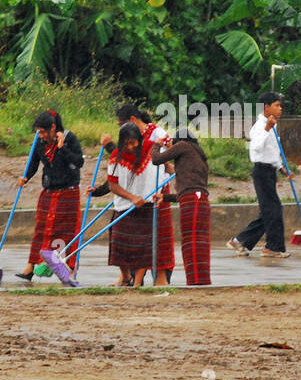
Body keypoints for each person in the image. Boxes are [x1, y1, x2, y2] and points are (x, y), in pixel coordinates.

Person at [100, 103, 174, 284]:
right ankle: (127, 277)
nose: (120, 128)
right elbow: (122, 162)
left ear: (132, 120)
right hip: (132, 193)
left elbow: (168, 156)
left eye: (121, 124)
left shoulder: (157, 135)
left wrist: (169, 164)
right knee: (124, 237)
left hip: (157, 190)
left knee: (158, 237)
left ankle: (161, 278)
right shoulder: (128, 140)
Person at [15, 109, 84, 282]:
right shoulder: (39, 142)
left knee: (66, 232)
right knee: (41, 230)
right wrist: (25, 177)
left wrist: (63, 148)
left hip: (68, 193)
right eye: (39, 132)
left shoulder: (69, 138)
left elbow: (79, 162)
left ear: (53, 127)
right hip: (48, 191)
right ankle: (31, 266)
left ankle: (70, 271)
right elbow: (34, 163)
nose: (42, 135)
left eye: (44, 131)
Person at [228, 91, 290, 258]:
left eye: (280, 105)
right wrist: (266, 129)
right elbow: (255, 148)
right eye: (277, 105)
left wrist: (281, 167)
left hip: (270, 170)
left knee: (269, 211)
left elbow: (273, 150)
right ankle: (273, 248)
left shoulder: (273, 125)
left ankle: (241, 241)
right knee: (273, 210)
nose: (280, 109)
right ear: (266, 107)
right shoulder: (259, 126)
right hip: (261, 171)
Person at [152, 126, 212, 285]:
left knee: (191, 242)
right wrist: (164, 197)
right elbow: (185, 192)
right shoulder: (199, 158)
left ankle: (195, 281)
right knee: (200, 243)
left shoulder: (183, 146)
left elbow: (156, 159)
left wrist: (157, 145)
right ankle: (200, 280)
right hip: (200, 200)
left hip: (193, 200)